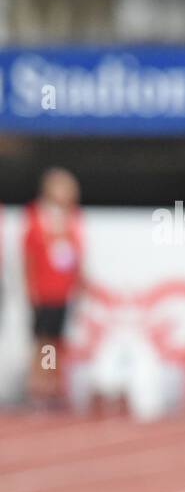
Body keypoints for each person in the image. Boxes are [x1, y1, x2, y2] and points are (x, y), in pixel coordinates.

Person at [24, 168, 84, 409]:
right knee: (46, 342)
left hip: (63, 291)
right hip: (45, 291)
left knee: (56, 341)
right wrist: (32, 288)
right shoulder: (38, 217)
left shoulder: (71, 218)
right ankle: (43, 382)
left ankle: (53, 381)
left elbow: (76, 255)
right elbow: (30, 256)